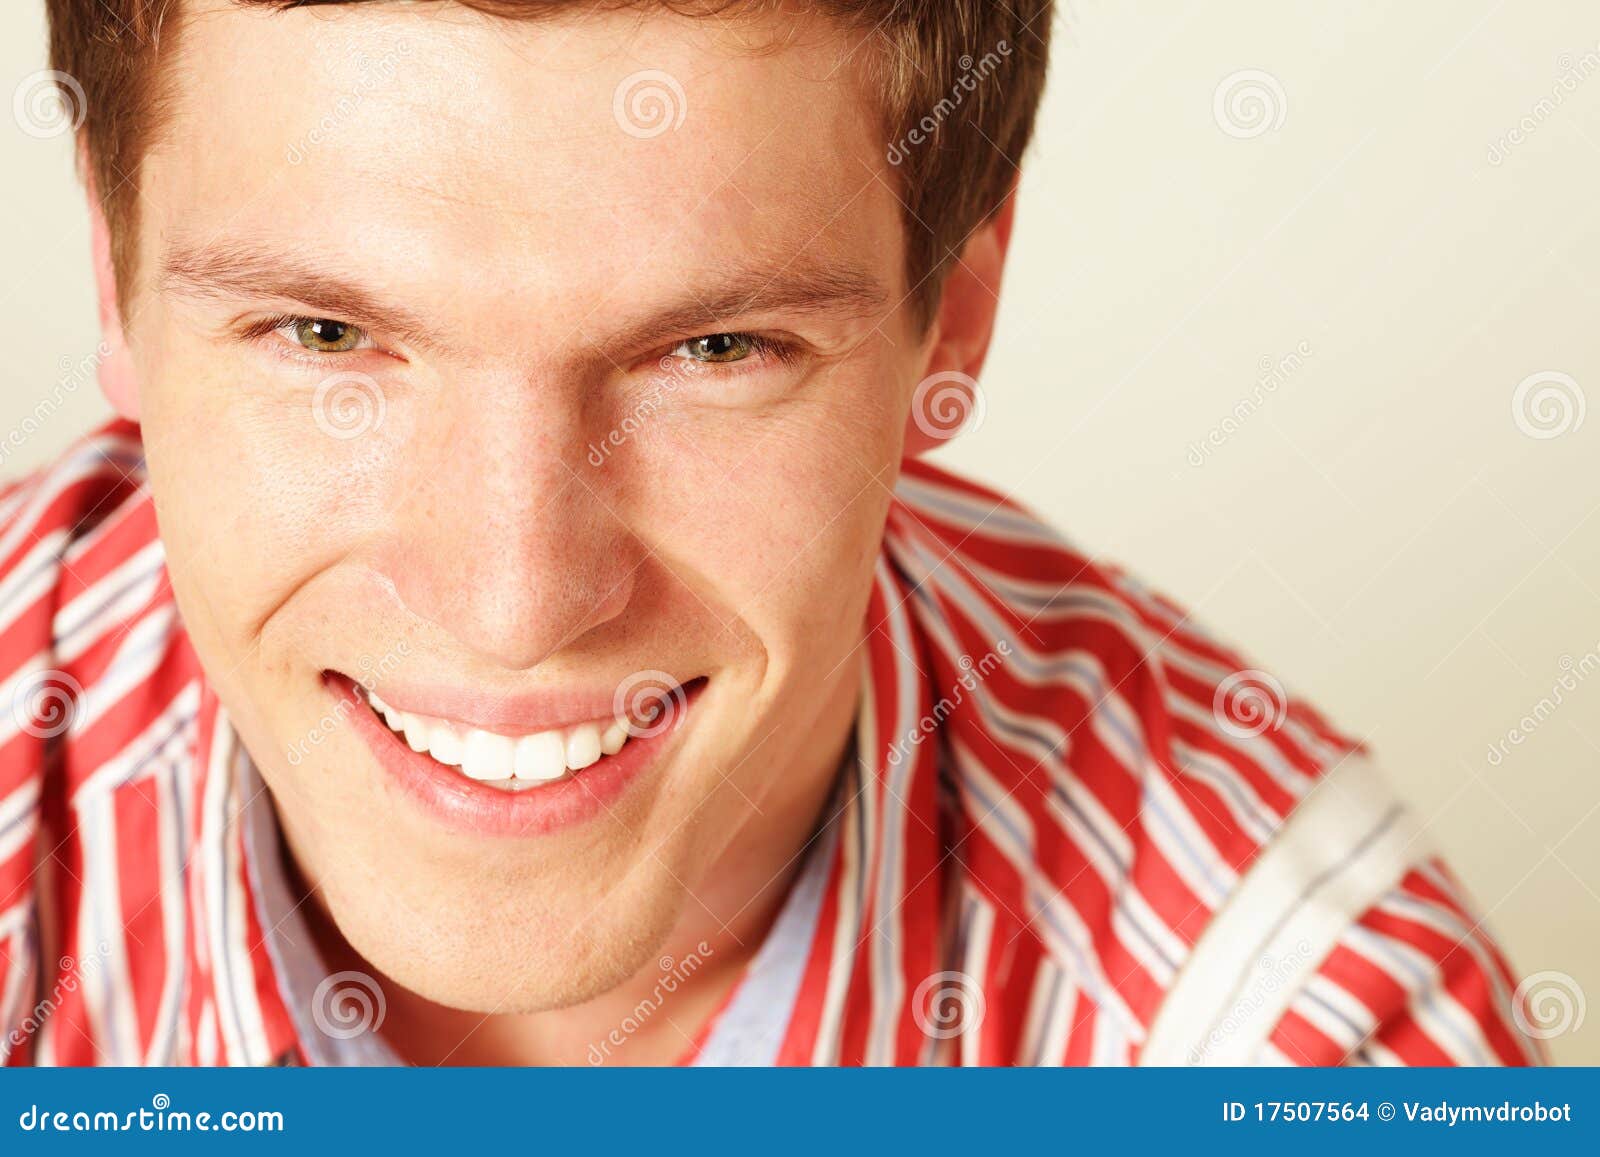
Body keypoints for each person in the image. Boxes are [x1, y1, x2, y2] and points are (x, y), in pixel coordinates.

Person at [0, 0, 1541, 1066]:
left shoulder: (1291, 1027)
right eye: (325, 333)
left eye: (714, 352)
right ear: (110, 261)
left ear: (957, 314)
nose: (513, 599)